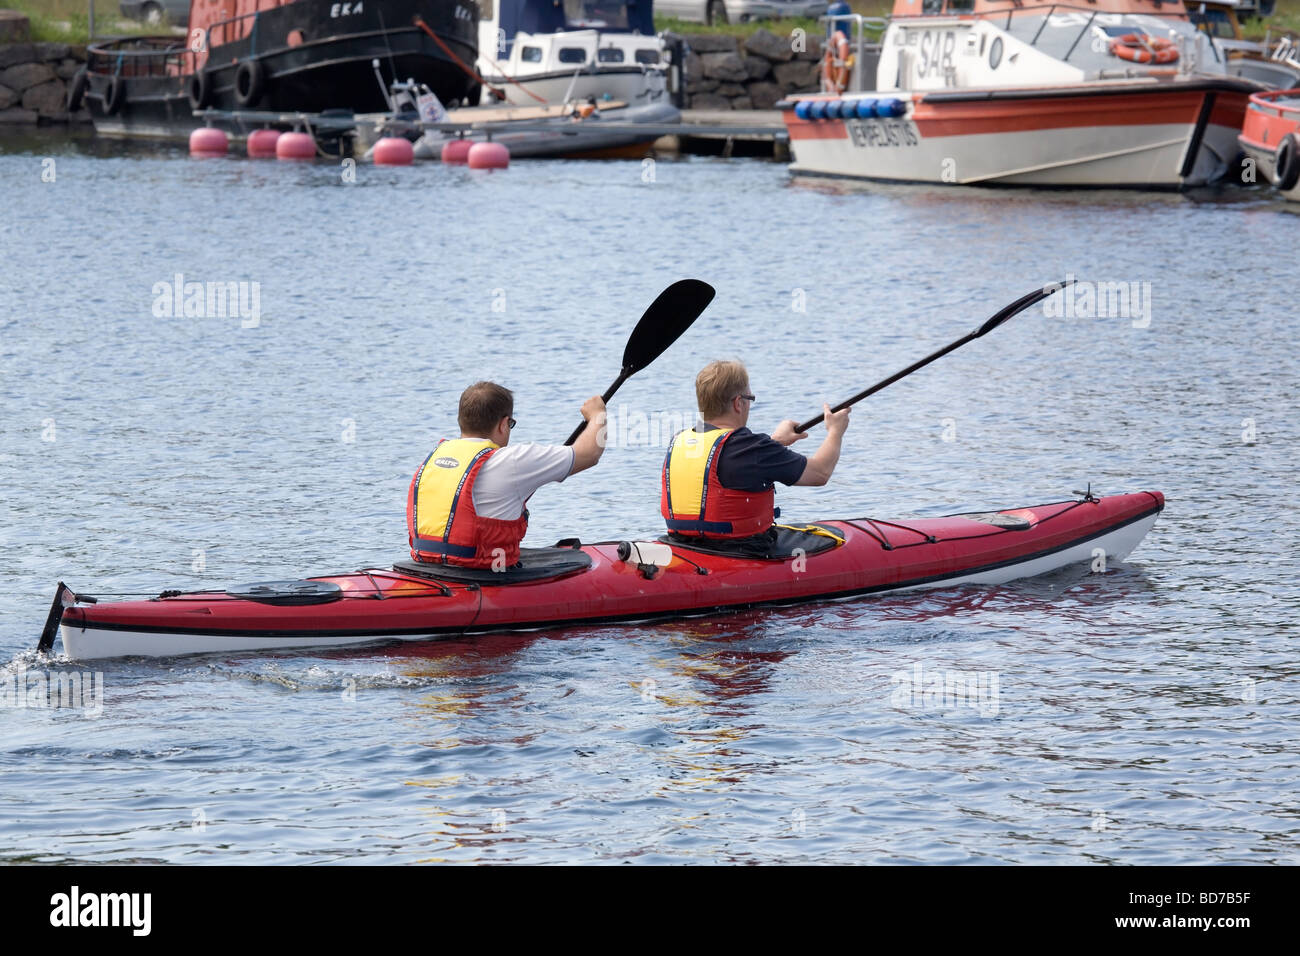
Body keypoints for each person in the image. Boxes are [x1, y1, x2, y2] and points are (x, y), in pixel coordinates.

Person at [408, 381, 606, 567]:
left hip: (427, 565)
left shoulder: (435, 457)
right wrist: (598, 414)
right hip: (487, 573)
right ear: (503, 424)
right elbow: (589, 454)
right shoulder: (512, 461)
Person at [660, 359, 849, 541]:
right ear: (738, 403)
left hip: (682, 543)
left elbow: (735, 460)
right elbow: (819, 473)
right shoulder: (754, 449)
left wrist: (775, 442)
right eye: (750, 398)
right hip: (741, 550)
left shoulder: (680, 441)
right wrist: (835, 431)